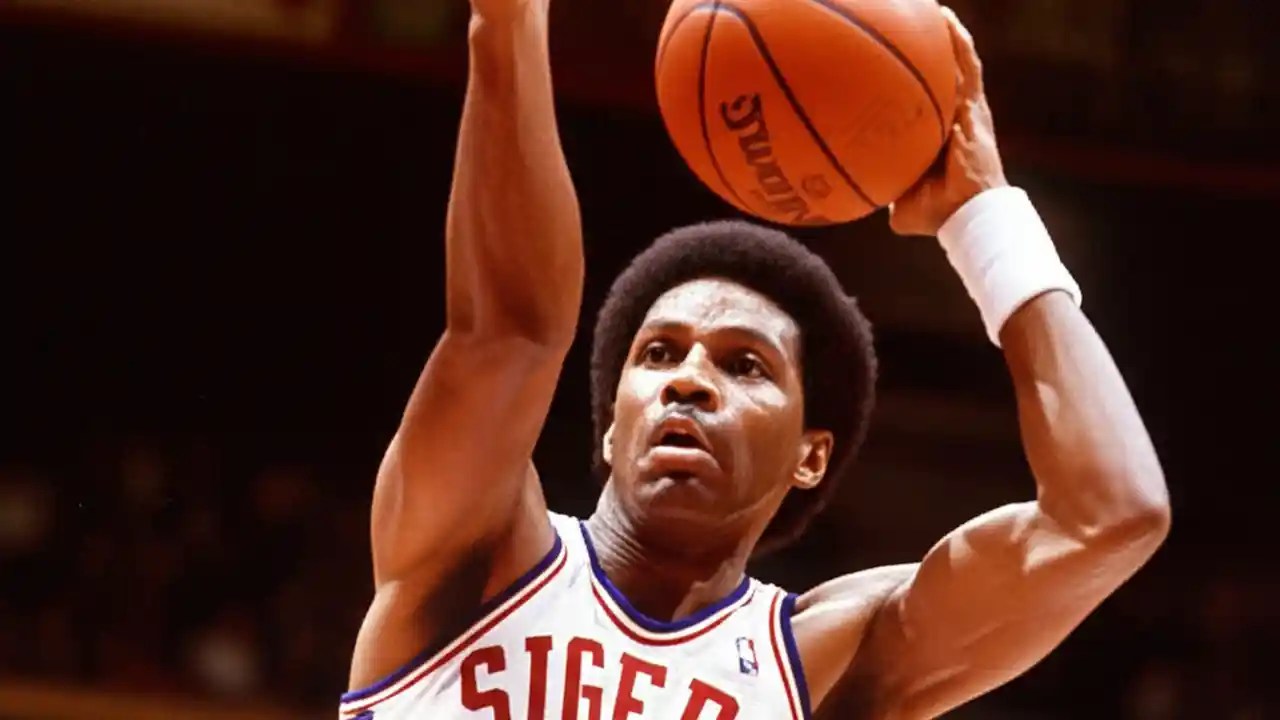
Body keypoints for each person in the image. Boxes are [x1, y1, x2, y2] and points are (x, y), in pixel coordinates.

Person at [339, 1, 1171, 718]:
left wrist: (983, 221)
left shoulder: (822, 659)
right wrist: (508, 19)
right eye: (660, 353)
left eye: (746, 366)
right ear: (608, 429)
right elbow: (510, 330)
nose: (690, 379)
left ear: (812, 454)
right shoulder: (478, 553)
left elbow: (1109, 518)